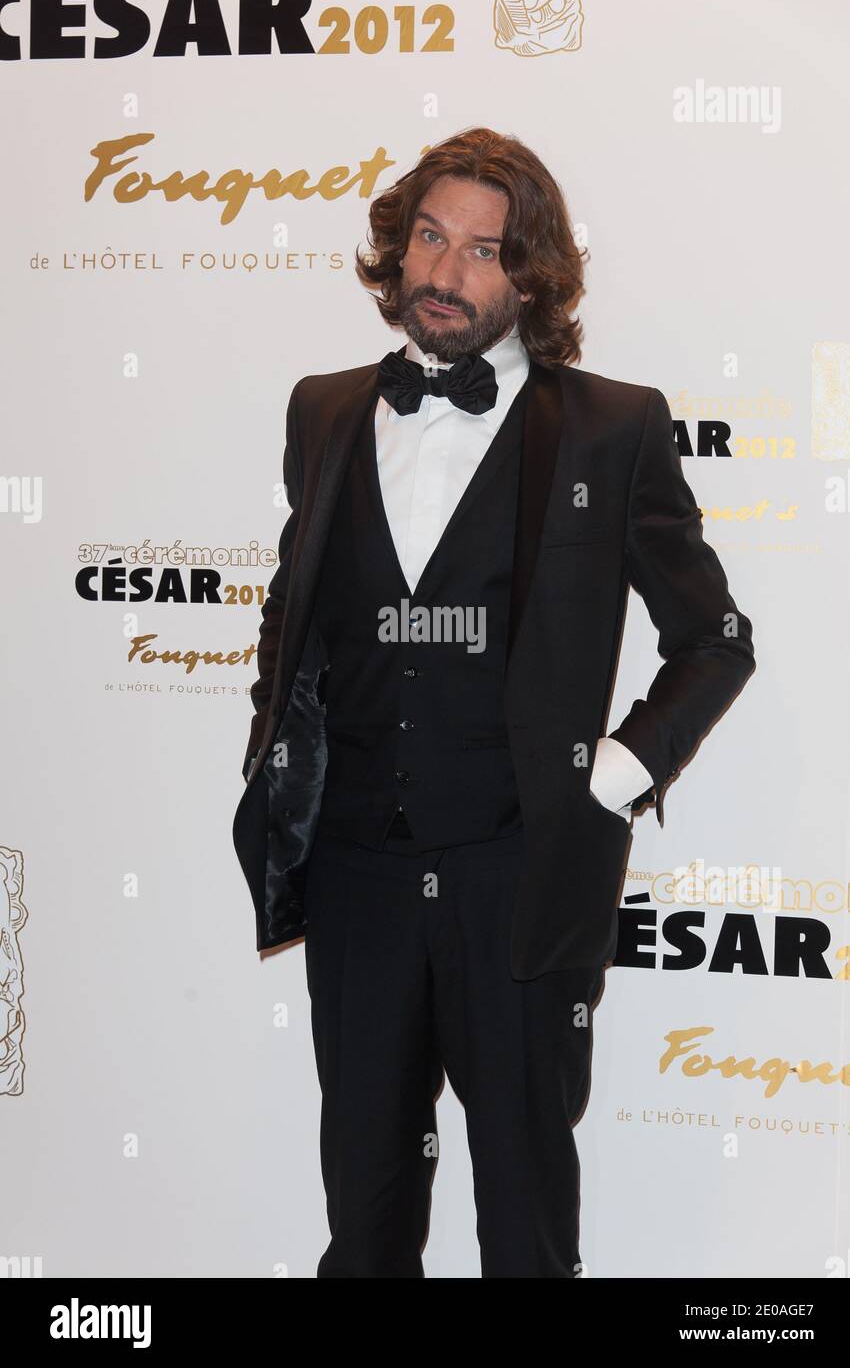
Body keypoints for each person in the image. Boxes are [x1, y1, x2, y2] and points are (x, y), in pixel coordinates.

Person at [232, 127, 756, 1278]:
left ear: (531, 277)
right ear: (396, 247)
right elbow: (295, 610)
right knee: (363, 1212)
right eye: (429, 237)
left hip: (520, 874)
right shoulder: (322, 411)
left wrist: (609, 782)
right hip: (359, 869)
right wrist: (276, 753)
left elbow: (715, 642)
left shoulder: (611, 427)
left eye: (482, 251)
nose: (445, 274)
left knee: (522, 1217)